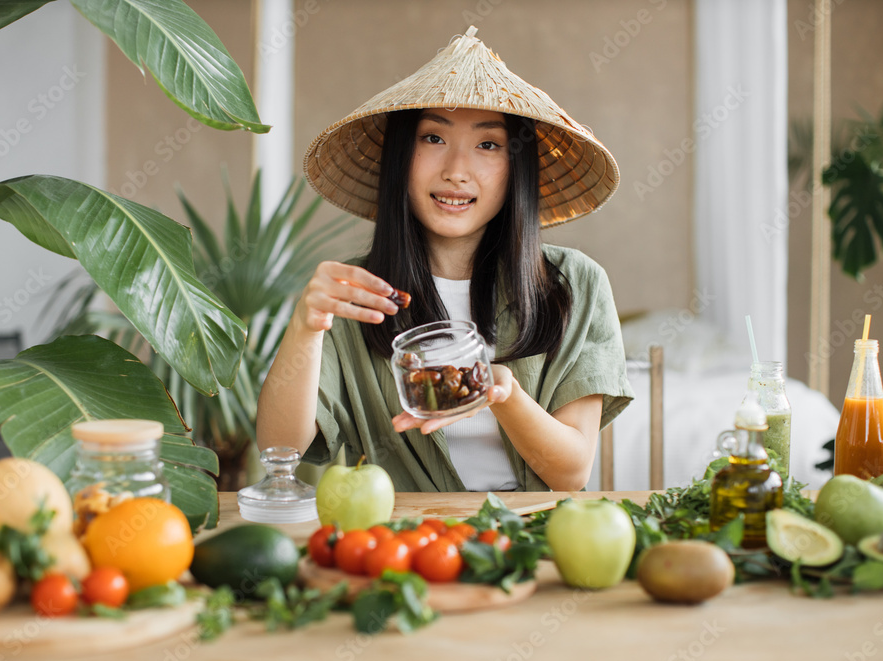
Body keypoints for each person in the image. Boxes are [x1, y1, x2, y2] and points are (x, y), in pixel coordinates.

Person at [258, 27, 633, 492]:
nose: (456, 171)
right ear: (400, 156)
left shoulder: (574, 284)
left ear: (517, 168)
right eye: (432, 138)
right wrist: (304, 328)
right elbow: (281, 451)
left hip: (529, 538)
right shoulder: (353, 295)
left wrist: (503, 394)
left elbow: (571, 473)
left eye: (488, 144)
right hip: (398, 544)